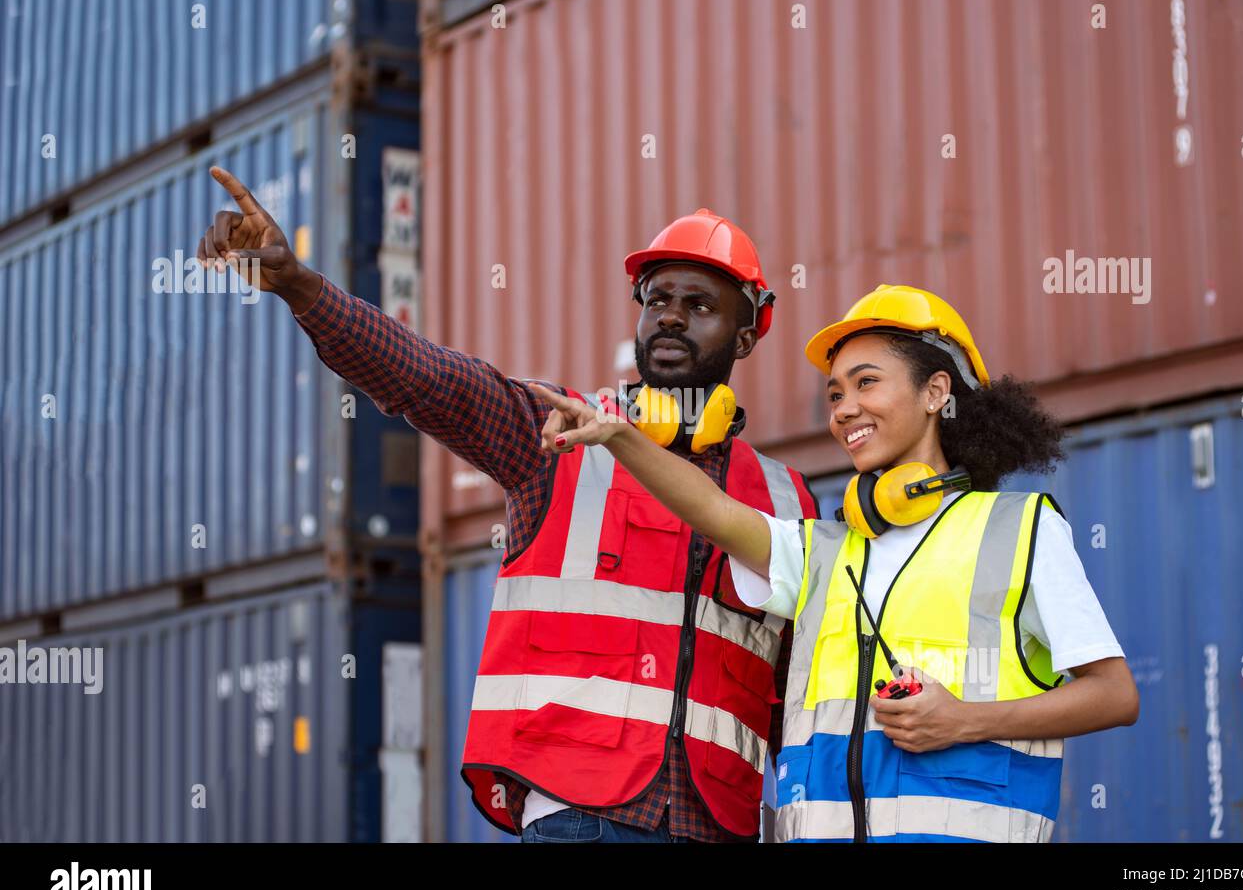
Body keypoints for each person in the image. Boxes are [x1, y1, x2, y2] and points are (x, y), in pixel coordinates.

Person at [195, 169, 820, 843]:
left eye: (699, 304)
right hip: (580, 816)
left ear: (748, 334)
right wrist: (301, 286)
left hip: (719, 824)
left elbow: (805, 690)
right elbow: (426, 379)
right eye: (656, 297)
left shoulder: (788, 500)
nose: (669, 315)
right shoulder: (556, 432)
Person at [530, 283, 1141, 842]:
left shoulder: (1020, 528)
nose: (844, 408)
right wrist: (618, 435)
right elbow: (712, 509)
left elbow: (1114, 695)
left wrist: (963, 721)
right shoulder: (823, 549)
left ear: (936, 392)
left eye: (867, 382)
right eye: (835, 393)